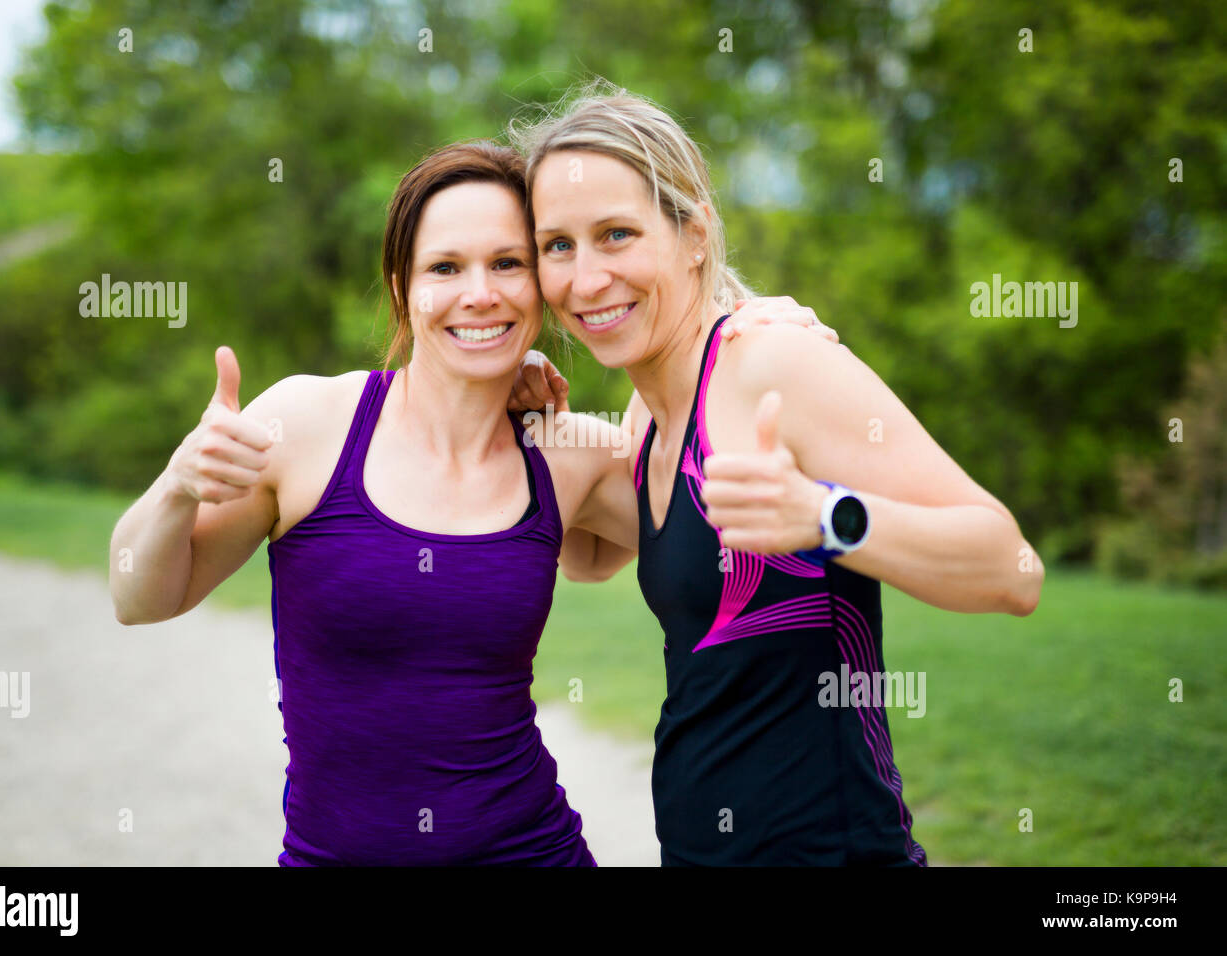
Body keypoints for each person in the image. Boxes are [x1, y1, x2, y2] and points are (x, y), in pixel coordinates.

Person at [107, 138, 833, 865]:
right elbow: (140, 595)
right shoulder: (304, 425)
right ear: (402, 286)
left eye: (507, 264)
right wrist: (177, 484)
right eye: (446, 267)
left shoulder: (566, 452)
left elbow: (680, 496)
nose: (479, 292)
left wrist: (744, 331)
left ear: (543, 284)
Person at [508, 81, 1046, 866]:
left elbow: (1013, 568)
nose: (585, 280)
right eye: (558, 245)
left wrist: (827, 517)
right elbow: (589, 554)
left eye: (617, 235)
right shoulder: (647, 417)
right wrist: (510, 407)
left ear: (695, 235)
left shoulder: (772, 365)